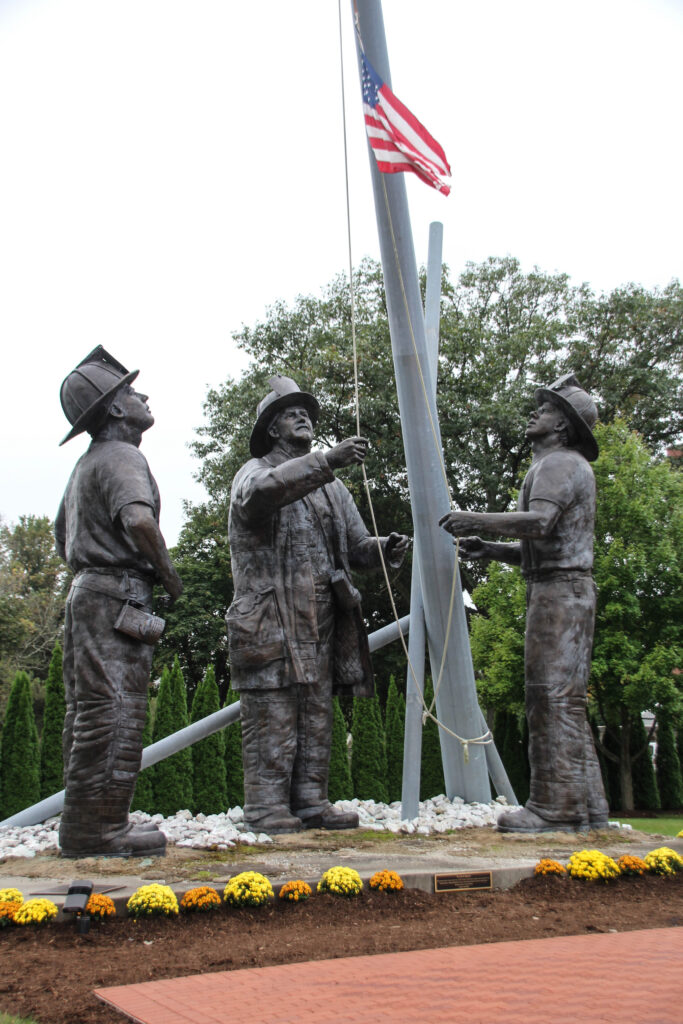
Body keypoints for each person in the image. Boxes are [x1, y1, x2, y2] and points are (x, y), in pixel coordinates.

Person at [227, 375, 410, 834]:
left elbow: (357, 545)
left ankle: (311, 800)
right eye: (292, 412)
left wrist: (383, 548)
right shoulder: (253, 472)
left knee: (316, 713)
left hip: (323, 621)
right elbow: (259, 497)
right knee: (274, 712)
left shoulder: (333, 489)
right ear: (271, 429)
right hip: (272, 619)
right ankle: (266, 807)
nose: (304, 416)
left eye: (307, 411)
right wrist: (327, 460)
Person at [439, 373, 609, 832]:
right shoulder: (568, 465)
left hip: (558, 595)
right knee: (566, 702)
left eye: (549, 408)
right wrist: (491, 548)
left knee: (548, 699)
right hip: (563, 587)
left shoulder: (557, 465)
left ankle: (554, 808)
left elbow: (539, 523)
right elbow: (548, 545)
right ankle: (588, 809)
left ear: (563, 427)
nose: (537, 412)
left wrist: (475, 519)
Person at [56, 346, 182, 857]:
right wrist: (167, 573)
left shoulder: (85, 467)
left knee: (89, 711)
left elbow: (60, 533)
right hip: (116, 595)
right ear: (113, 409)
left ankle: (87, 825)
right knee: (116, 712)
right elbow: (137, 520)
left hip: (89, 593)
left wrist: (92, 566)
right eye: (129, 391)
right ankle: (99, 831)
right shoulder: (124, 456)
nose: (141, 395)